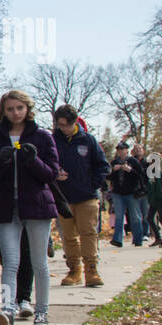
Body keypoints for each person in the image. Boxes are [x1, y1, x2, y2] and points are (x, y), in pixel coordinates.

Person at [0, 90, 59, 325]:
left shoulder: (43, 137)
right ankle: (8, 307)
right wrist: (2, 161)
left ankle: (42, 310)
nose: (15, 113)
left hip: (36, 206)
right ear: (3, 111)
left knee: (38, 262)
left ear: (27, 109)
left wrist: (32, 160)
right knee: (10, 262)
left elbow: (51, 174)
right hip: (6, 207)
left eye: (19, 108)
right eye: (10, 109)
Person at [52, 104, 110, 287]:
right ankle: (73, 270)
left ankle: (91, 270)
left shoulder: (88, 140)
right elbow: (45, 163)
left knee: (88, 233)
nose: (65, 129)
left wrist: (92, 184)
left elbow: (103, 166)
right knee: (68, 236)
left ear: (75, 121)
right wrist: (54, 174)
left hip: (87, 197)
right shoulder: (52, 140)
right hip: (63, 198)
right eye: (61, 125)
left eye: (67, 125)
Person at [108, 142, 146, 247]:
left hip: (131, 193)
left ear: (127, 150)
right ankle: (118, 240)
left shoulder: (133, 161)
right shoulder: (114, 162)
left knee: (135, 216)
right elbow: (108, 177)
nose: (120, 151)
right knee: (119, 216)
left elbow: (140, 175)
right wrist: (113, 171)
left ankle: (138, 239)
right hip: (117, 193)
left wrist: (130, 170)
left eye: (122, 149)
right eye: (118, 149)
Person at [145, 153, 162, 247]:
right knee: (149, 217)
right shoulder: (151, 171)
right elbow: (150, 186)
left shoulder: (159, 171)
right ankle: (158, 237)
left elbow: (160, 188)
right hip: (154, 199)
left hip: (160, 199)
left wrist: (157, 197)